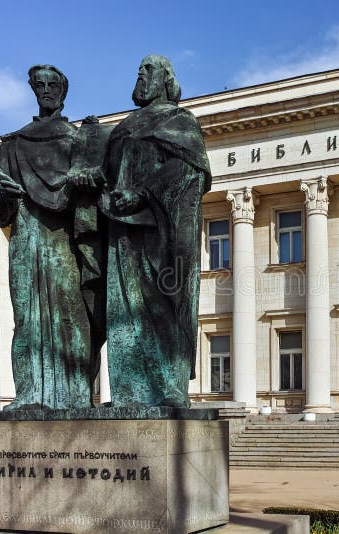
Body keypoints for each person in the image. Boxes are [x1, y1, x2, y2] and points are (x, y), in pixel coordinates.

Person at [0, 65, 105, 410]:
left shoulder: (77, 140)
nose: (47, 90)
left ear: (63, 92)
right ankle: (30, 395)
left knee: (70, 316)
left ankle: (75, 399)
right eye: (40, 85)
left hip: (64, 240)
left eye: (53, 85)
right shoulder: (15, 144)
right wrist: (2, 196)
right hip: (26, 238)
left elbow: (92, 188)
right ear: (33, 90)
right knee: (27, 317)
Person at [96, 54, 211, 407]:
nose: (141, 74)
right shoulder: (122, 129)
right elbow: (107, 171)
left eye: (149, 70)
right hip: (122, 230)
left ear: (166, 79)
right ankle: (128, 392)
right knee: (124, 312)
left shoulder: (181, 121)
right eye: (139, 70)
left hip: (160, 230)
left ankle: (169, 388)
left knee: (164, 305)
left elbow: (191, 171)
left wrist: (143, 193)